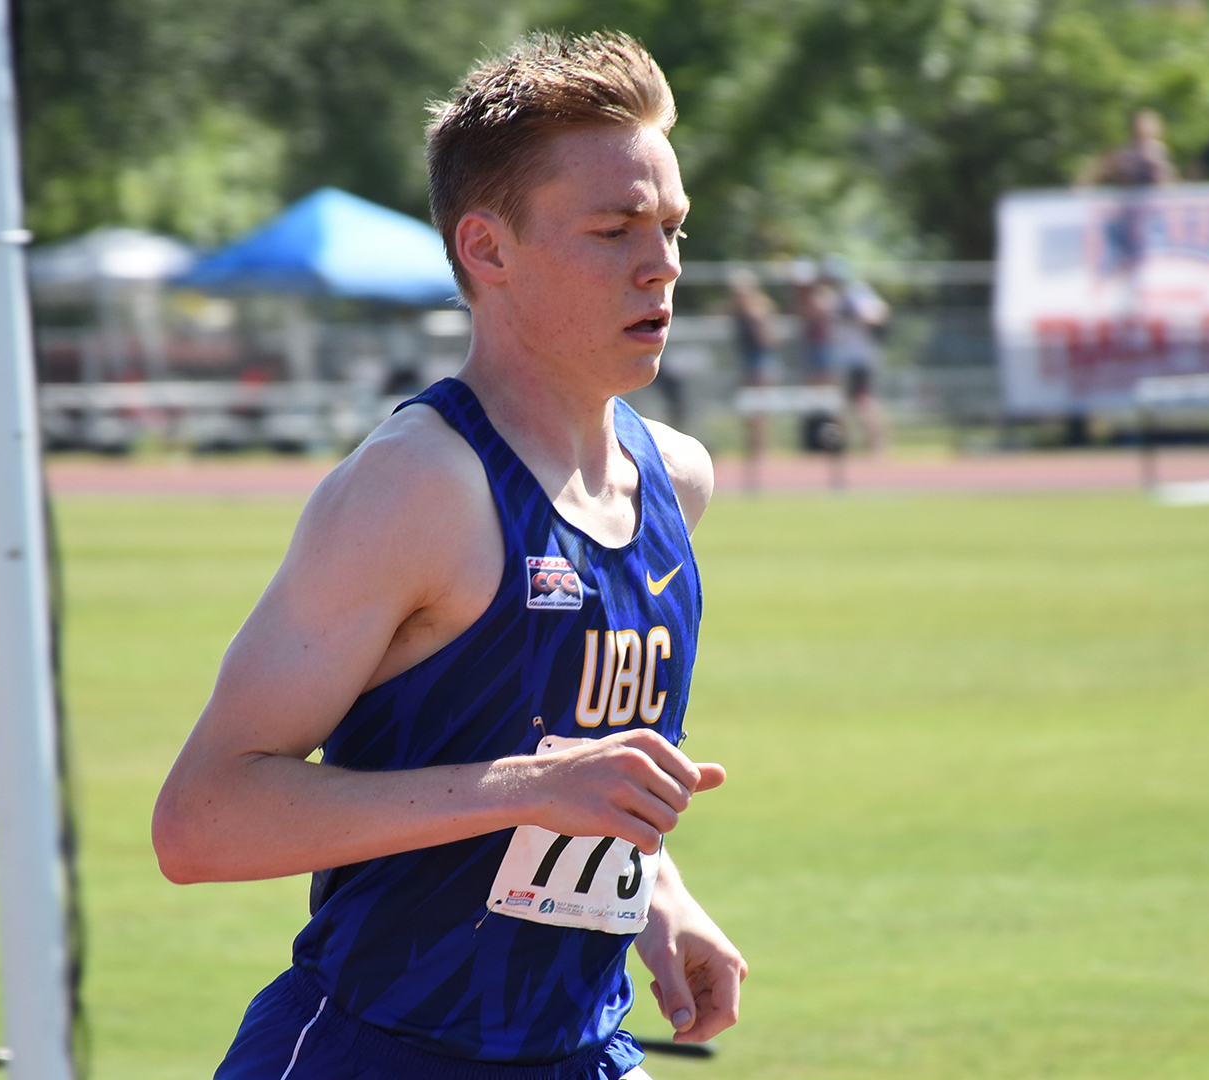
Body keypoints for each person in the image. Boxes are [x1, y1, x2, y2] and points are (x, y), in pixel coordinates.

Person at [153, 31, 746, 1080]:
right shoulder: (420, 487)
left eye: (671, 225)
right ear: (487, 249)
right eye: (614, 229)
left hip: (582, 1052)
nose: (661, 264)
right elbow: (202, 823)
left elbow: (572, 779)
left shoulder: (676, 481)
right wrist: (524, 785)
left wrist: (662, 900)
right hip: (376, 1053)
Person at [821, 258, 891, 456]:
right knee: (840, 404)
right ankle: (840, 446)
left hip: (860, 357)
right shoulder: (833, 297)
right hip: (843, 358)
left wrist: (857, 313)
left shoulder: (855, 292)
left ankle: (878, 444)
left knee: (864, 402)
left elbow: (878, 313)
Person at [726, 267, 778, 487]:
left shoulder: (756, 310)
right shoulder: (738, 310)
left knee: (758, 413)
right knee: (750, 414)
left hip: (759, 365)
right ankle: (753, 454)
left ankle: (759, 455)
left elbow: (767, 339)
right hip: (748, 364)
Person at [1079, 108, 1179, 187]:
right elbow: (1096, 172)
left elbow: (1169, 185)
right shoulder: (1124, 154)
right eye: (1142, 125)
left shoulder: (1162, 154)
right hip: (1129, 206)